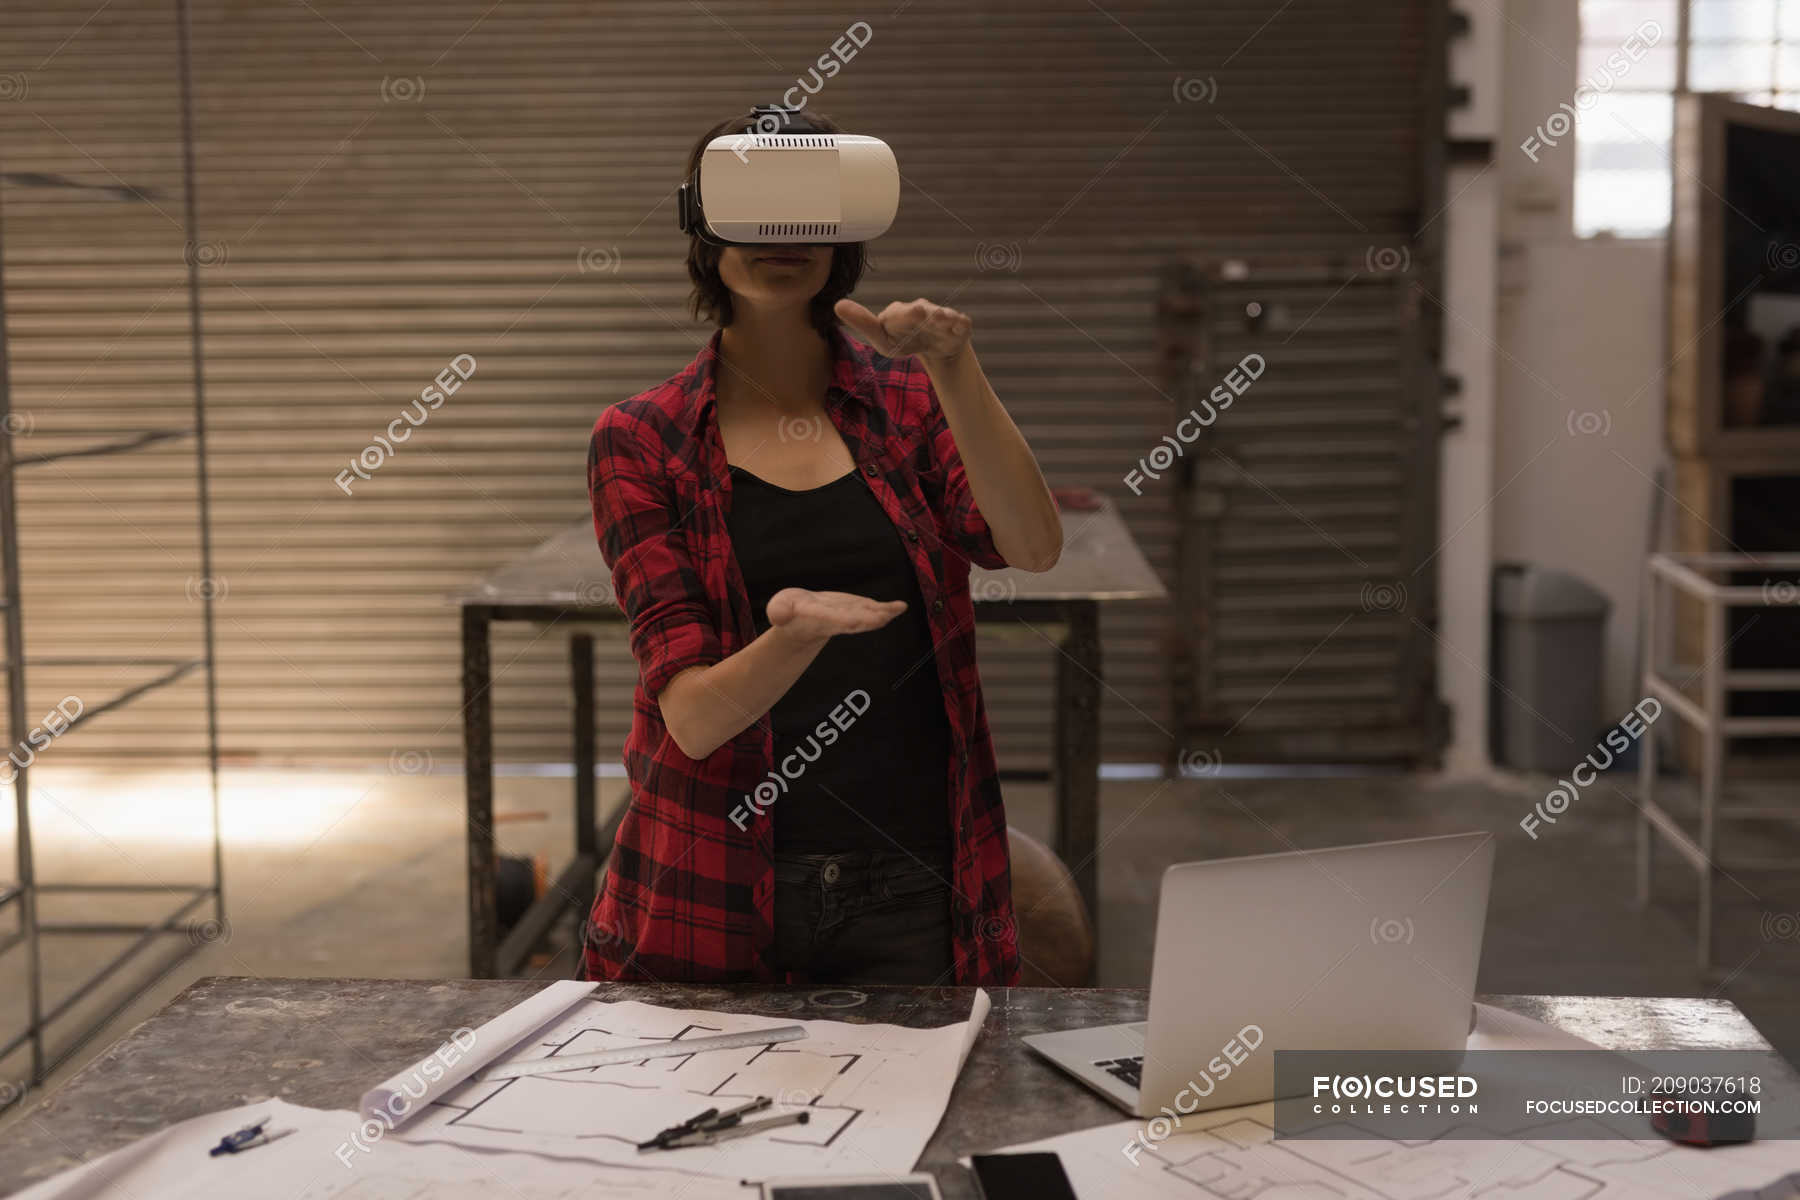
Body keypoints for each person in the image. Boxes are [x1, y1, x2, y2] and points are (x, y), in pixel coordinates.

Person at [580, 110, 1062, 987]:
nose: (784, 235)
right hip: (716, 871)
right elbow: (692, 719)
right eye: (755, 207)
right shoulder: (642, 439)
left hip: (918, 870)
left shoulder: (911, 404)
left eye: (810, 207)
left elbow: (1031, 545)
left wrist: (955, 366)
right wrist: (794, 637)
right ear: (702, 223)